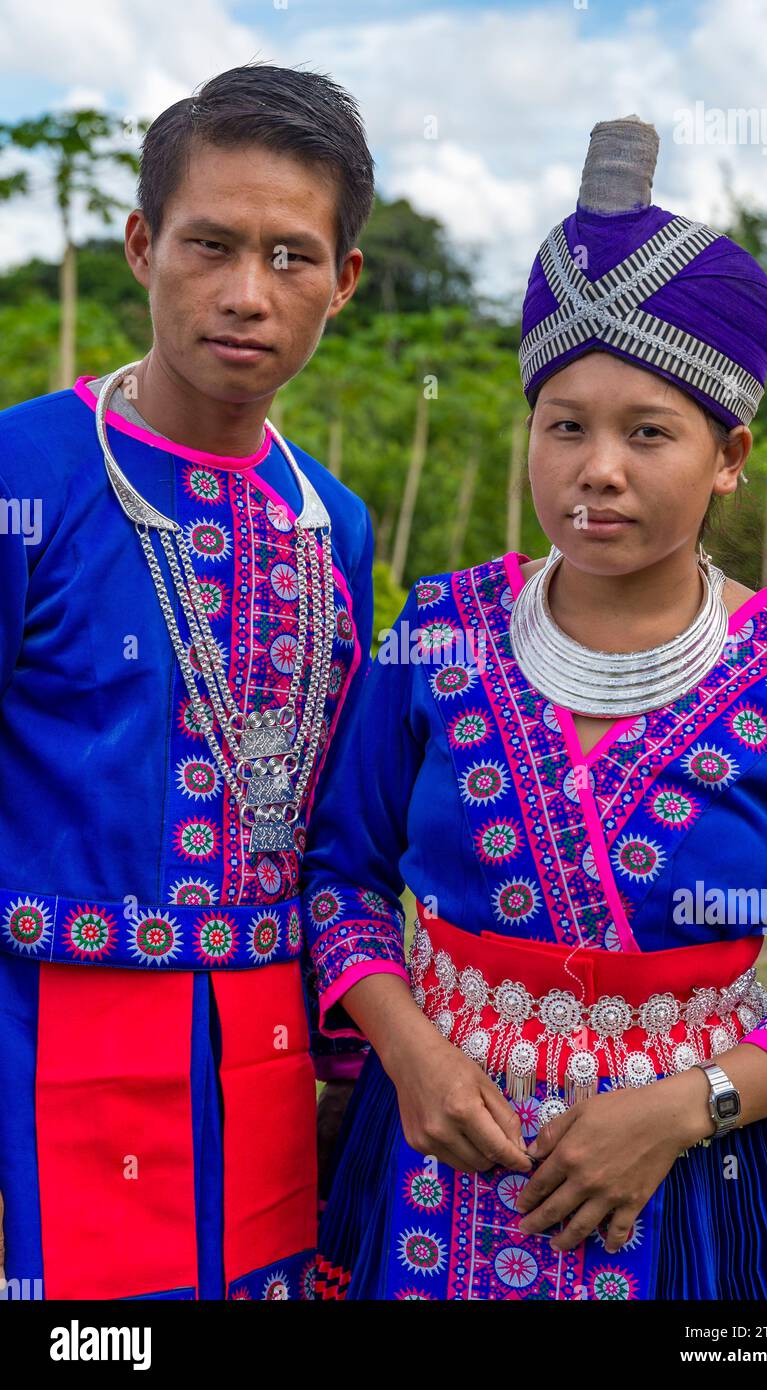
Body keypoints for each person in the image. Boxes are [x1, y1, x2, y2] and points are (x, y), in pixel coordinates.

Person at [303, 116, 767, 1301]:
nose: (595, 467)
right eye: (564, 425)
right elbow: (340, 878)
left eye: (646, 432)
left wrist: (681, 1107)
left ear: (729, 456)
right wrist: (410, 1056)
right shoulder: (443, 631)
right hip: (430, 1170)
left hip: (701, 1189)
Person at [0, 62, 373, 1301]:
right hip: (44, 1052)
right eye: (209, 244)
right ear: (142, 243)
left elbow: (332, 821)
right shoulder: (29, 474)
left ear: (345, 280)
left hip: (264, 1059)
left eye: (291, 257)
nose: (246, 295)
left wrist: (342, 1068)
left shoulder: (338, 526)